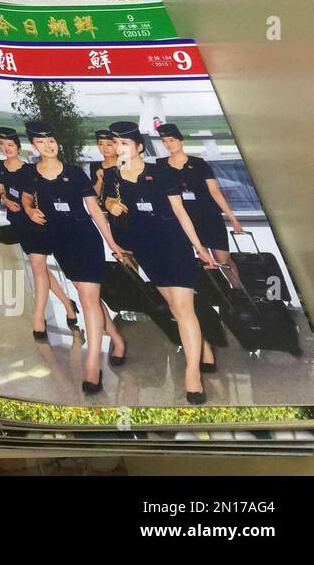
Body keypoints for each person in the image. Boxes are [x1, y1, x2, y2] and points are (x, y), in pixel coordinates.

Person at [103, 121, 217, 403]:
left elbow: (180, 212)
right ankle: (202, 343)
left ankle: (192, 375)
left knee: (183, 308)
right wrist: (110, 205)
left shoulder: (160, 173)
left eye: (125, 143)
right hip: (145, 251)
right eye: (116, 143)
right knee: (175, 308)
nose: (119, 148)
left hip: (173, 246)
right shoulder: (113, 176)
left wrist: (199, 248)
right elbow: (105, 200)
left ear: (139, 147)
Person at [21, 120, 128, 395]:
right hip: (60, 243)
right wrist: (30, 210)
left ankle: (92, 364)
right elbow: (24, 197)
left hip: (85, 239)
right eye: (42, 141)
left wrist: (112, 243)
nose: (49, 144)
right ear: (34, 145)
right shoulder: (31, 174)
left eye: (51, 139)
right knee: (89, 297)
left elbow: (94, 210)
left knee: (88, 298)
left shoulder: (75, 173)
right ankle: (116, 339)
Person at [0, 127, 79, 340]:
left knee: (38, 269)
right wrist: (5, 199)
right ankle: (68, 304)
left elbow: (32, 196)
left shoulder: (30, 170)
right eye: (2, 144)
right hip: (17, 222)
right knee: (40, 269)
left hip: (34, 221)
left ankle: (38, 318)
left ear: (19, 148)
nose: (6, 148)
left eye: (10, 145)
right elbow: (1, 188)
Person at [156, 122, 244, 288]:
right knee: (201, 261)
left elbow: (214, 191)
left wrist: (232, 218)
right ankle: (217, 295)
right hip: (184, 219)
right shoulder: (160, 166)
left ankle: (238, 289)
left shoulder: (199, 164)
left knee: (223, 259)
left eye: (172, 140)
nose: (168, 144)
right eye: (165, 141)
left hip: (209, 216)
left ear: (181, 141)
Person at [89, 129, 132, 255]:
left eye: (109, 144)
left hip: (129, 212)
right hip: (113, 218)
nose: (105, 148)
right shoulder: (96, 167)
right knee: (124, 254)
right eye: (100, 144)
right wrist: (99, 180)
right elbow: (94, 196)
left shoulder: (125, 163)